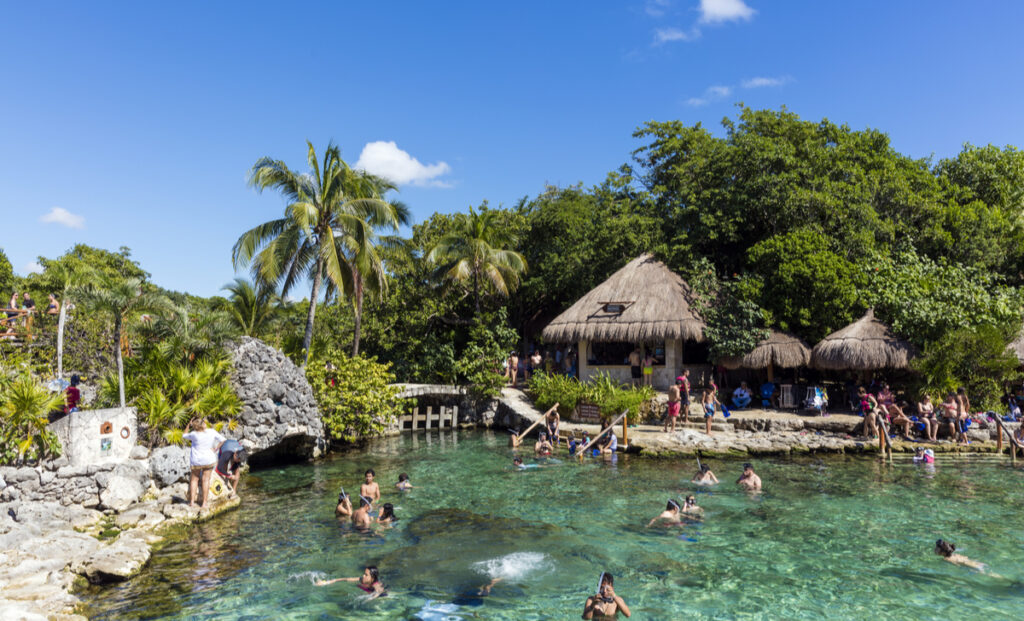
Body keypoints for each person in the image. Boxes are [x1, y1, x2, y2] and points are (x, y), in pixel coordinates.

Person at [182, 418, 225, 509]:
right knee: (206, 480)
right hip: (208, 460)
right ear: (204, 424)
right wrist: (216, 449)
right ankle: (204, 503)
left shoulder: (194, 434)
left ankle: (192, 502)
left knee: (194, 480)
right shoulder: (211, 432)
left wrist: (188, 426)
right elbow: (223, 440)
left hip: (196, 460)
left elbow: (184, 435)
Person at [315, 565, 387, 599]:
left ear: (372, 578)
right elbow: (346, 579)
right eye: (364, 573)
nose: (363, 575)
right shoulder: (361, 579)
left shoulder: (376, 585)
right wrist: (327, 582)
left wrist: (367, 599)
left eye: (366, 575)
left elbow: (378, 592)